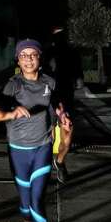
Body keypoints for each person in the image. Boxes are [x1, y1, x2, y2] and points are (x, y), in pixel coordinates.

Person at [0, 39, 72, 222]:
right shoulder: (12, 86)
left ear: (39, 58)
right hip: (17, 150)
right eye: (23, 55)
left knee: (37, 200)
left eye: (32, 54)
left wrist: (62, 116)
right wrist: (10, 112)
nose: (28, 58)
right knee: (25, 204)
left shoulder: (50, 82)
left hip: (42, 148)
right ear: (18, 59)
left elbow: (57, 104)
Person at [44, 26, 78, 181]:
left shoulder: (72, 53)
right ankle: (44, 166)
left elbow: (79, 79)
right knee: (47, 139)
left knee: (67, 139)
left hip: (67, 99)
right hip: (48, 100)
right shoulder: (46, 55)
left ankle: (60, 162)